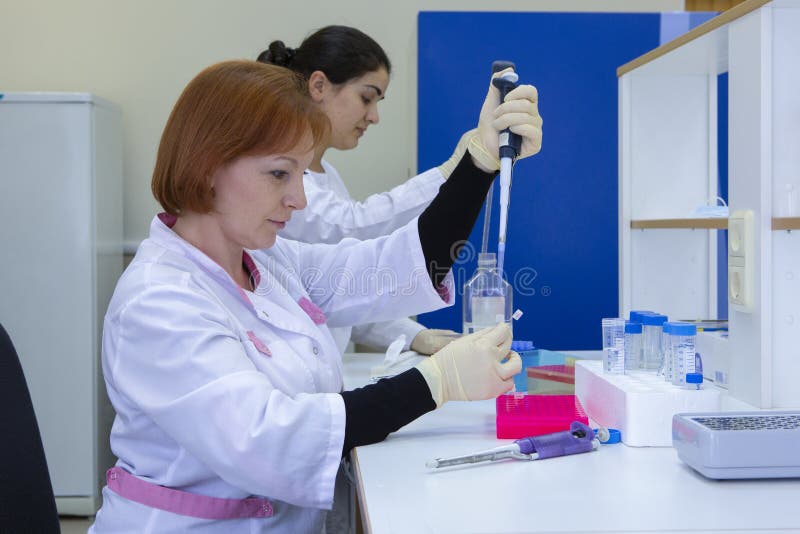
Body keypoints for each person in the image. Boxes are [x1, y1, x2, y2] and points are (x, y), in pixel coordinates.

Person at [89, 59, 542, 532]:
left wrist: (480, 163)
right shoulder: (158, 301)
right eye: (279, 174)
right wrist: (435, 382)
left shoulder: (266, 261)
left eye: (302, 175)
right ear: (207, 168)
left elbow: (393, 266)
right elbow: (271, 438)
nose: (299, 200)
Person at [257, 26, 468, 356]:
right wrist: (451, 173)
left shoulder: (327, 175)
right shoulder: (272, 174)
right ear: (319, 85)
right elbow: (353, 227)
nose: (374, 117)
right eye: (366, 98)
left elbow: (341, 291)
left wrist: (414, 336)